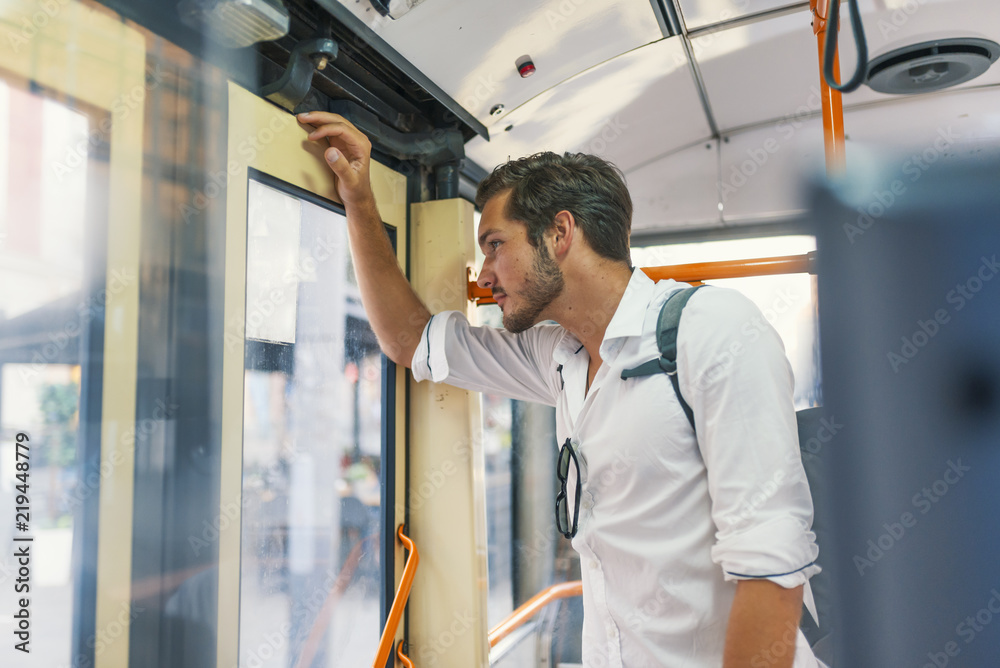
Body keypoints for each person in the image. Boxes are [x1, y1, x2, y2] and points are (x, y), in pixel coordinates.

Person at [298, 111, 822, 668]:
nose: (483, 275)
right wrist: (359, 199)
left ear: (560, 233)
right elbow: (410, 341)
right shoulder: (558, 353)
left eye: (495, 244)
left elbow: (771, 569)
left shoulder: (712, 331)